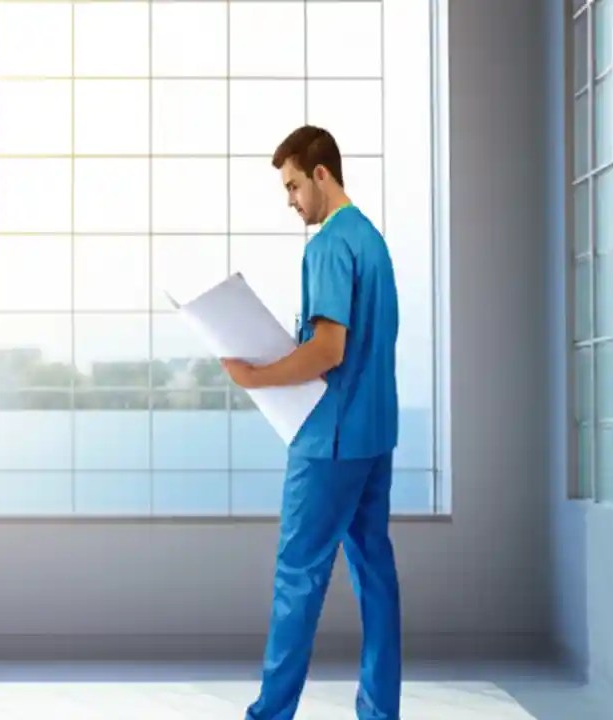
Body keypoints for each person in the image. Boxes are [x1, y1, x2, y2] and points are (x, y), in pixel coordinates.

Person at [221, 125, 402, 720]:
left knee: (298, 577)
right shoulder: (373, 242)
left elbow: (328, 349)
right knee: (374, 574)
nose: (291, 200)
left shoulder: (327, 245)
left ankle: (269, 715)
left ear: (321, 174)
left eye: (294, 186)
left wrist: (255, 377)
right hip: (375, 435)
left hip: (330, 441)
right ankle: (380, 713)